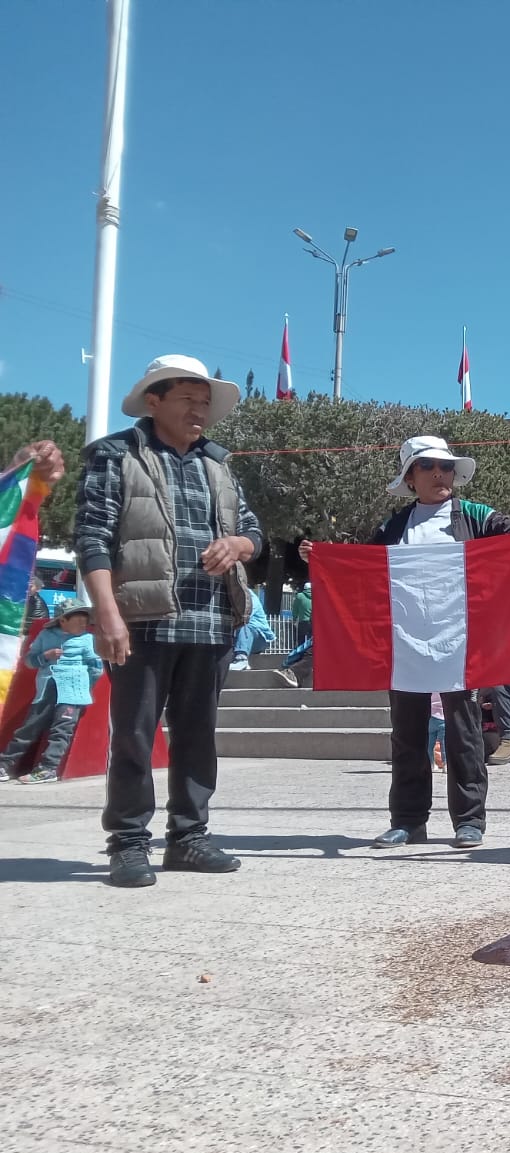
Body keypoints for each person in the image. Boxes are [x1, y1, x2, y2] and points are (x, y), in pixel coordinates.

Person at [304, 435, 510, 848]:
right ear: (410, 478)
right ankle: (408, 821)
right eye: (428, 467)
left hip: (459, 644)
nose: (439, 474)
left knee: (464, 732)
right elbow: (362, 572)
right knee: (407, 734)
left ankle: (469, 821)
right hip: (407, 644)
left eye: (446, 467)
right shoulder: (394, 527)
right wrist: (323, 560)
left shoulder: (476, 515)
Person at [75, 355, 261, 888]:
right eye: (188, 400)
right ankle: (128, 843)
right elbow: (93, 537)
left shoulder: (218, 464)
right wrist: (106, 615)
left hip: (212, 621)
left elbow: (253, 531)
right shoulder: (114, 455)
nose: (199, 411)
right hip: (142, 621)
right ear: (153, 401)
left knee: (198, 735)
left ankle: (188, 838)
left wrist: (239, 544)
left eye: (204, 402)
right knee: (134, 736)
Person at [1, 599, 103, 784]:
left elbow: (96, 666)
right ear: (63, 620)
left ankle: (48, 769)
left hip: (72, 692)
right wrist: (45, 657)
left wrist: (84, 686)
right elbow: (29, 661)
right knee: (29, 728)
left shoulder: (88, 639)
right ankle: (5, 765)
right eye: (79, 620)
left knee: (61, 730)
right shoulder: (45, 635)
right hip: (47, 688)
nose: (84, 623)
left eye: (85, 620)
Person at [229, 590, 276, 670]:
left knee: (243, 622)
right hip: (242, 640)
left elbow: (244, 614)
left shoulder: (248, 596)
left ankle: (241, 659)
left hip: (260, 639)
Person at [427, 692, 446, 771]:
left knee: (430, 744)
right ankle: (445, 765)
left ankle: (432, 764)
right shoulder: (445, 690)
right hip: (443, 718)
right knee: (444, 744)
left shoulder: (430, 689)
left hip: (431, 718)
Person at [291, 580, 313, 646]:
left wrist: (294, 619)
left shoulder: (300, 596)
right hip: (313, 622)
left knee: (301, 640)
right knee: (311, 641)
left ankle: (302, 651)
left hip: (303, 621)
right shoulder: (316, 595)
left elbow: (295, 609)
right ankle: (310, 651)